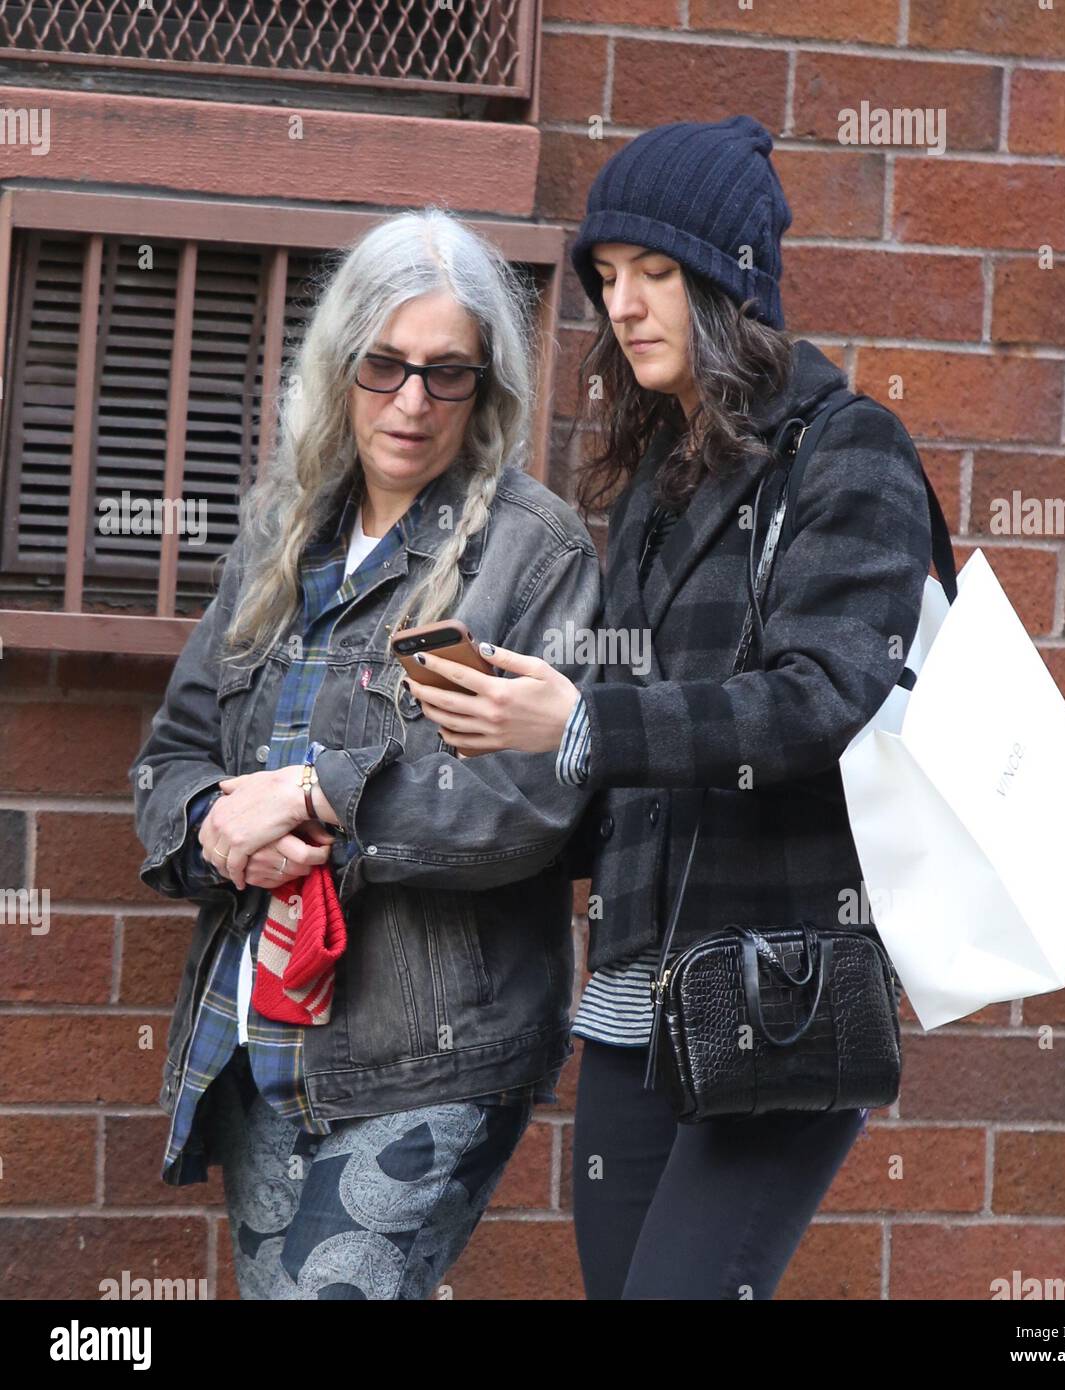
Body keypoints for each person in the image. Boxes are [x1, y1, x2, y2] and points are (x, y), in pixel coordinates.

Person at [406, 115, 934, 1299]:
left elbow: (823, 701)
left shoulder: (846, 451)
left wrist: (585, 724)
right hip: (635, 985)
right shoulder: (659, 475)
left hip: (779, 978)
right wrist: (519, 707)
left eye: (657, 272)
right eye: (606, 277)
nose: (624, 304)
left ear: (733, 284)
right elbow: (636, 711)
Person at [129, 207, 602, 1300]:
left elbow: (527, 803)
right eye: (385, 365)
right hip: (257, 1033)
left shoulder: (531, 557)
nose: (411, 402)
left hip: (427, 1055)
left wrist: (312, 792)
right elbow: (171, 758)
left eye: (448, 375)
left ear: (487, 389)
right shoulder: (279, 530)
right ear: (341, 362)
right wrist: (215, 829)